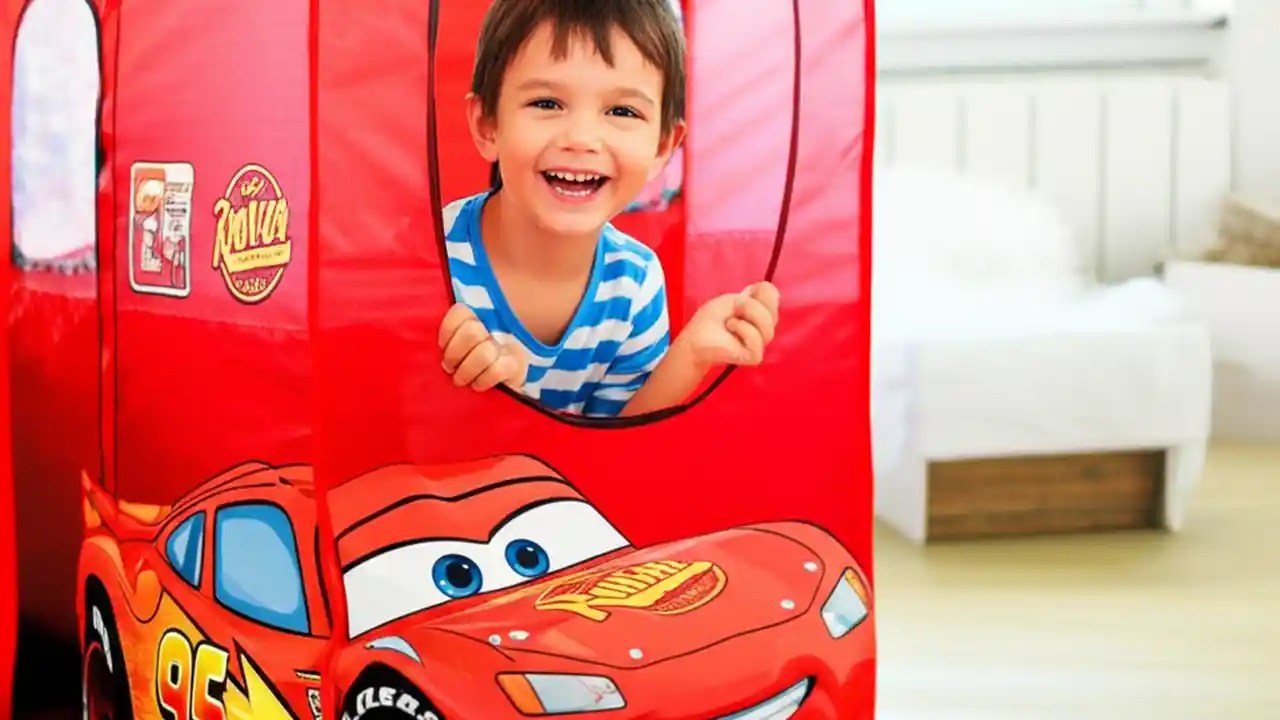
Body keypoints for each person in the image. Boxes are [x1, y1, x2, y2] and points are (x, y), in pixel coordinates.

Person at [438, 0, 780, 418]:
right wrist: (478, 397)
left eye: (622, 111)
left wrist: (692, 354)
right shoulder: (431, 260)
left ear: (662, 147)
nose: (582, 138)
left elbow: (620, 437)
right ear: (487, 125)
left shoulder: (635, 282)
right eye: (547, 103)